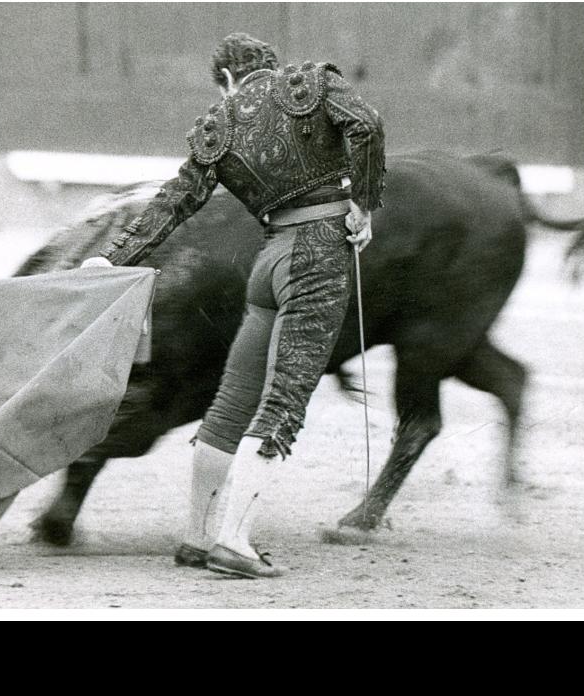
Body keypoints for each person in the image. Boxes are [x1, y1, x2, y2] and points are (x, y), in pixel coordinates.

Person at [81, 32, 385, 578]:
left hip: (268, 263)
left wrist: (110, 258)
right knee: (282, 402)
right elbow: (366, 123)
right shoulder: (310, 83)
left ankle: (198, 537)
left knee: (230, 404)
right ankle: (233, 541)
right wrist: (362, 205)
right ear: (271, 67)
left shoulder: (217, 127)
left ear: (225, 79)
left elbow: (173, 203)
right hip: (317, 258)